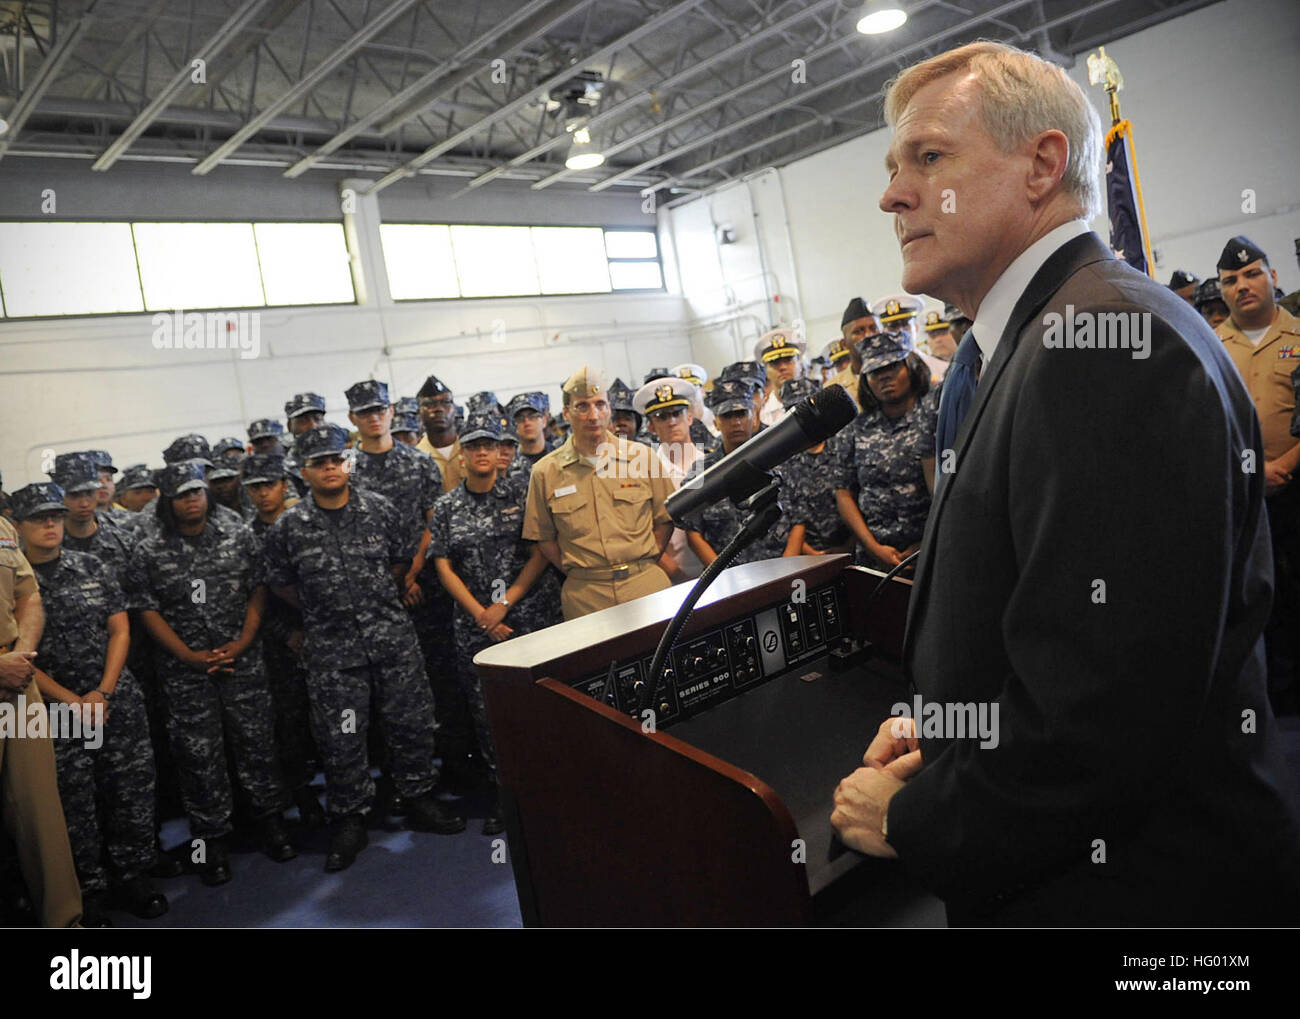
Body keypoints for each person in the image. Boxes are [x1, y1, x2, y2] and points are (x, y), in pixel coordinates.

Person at [830, 40, 1300, 925]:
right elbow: (1040, 630)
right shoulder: (1053, 331)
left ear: (1043, 164)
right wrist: (948, 731)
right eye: (895, 168)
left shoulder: (1105, 345)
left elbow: (1100, 716)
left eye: (929, 157)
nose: (892, 193)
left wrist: (912, 812)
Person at [261, 424, 465, 873]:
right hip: (333, 653)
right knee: (342, 738)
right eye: (320, 463)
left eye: (336, 459)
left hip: (391, 638)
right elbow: (280, 584)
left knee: (410, 723)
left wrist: (375, 597)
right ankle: (350, 818)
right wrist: (325, 607)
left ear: (348, 463)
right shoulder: (288, 528)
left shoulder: (381, 510)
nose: (330, 468)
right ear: (304, 472)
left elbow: (402, 560)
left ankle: (418, 798)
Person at [127, 461, 295, 885]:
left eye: (197, 492)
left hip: (241, 659)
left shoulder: (236, 533)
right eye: (182, 494)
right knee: (199, 756)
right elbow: (147, 609)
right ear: (167, 499)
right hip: (186, 671)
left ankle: (271, 822)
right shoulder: (149, 548)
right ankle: (210, 840)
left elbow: (258, 588)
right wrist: (187, 656)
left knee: (256, 741)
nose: (192, 500)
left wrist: (242, 642)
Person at [13, 483, 167, 925]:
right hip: (53, 712)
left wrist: (102, 691)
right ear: (18, 526)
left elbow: (119, 630)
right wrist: (72, 701)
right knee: (73, 804)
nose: (50, 524)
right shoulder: (14, 586)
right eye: (39, 518)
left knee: (129, 790)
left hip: (112, 701)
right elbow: (16, 654)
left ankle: (132, 875)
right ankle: (90, 890)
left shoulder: (92, 565)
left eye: (55, 516)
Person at [429, 414, 551, 835]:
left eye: (489, 445)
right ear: (461, 456)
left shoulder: (522, 493)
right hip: (474, 626)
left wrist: (503, 604)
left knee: (537, 706)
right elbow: (443, 566)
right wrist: (482, 615)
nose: (481, 452)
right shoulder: (446, 507)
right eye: (472, 446)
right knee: (488, 715)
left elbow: (540, 552)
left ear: (501, 453)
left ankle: (549, 790)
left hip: (526, 617)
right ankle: (507, 796)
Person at [1215, 235, 1300, 713]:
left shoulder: (1299, 337)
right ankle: (1274, 694)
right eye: (1231, 280)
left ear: (1273, 277)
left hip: (1294, 487)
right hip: (1243, 492)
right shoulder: (1210, 343)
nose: (1242, 286)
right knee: (1258, 596)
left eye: (1252, 274)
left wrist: (1284, 466)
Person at [523, 366, 674, 620]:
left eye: (600, 405)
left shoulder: (642, 457)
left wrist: (645, 559)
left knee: (662, 659)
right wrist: (584, 571)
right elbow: (544, 538)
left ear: (609, 410)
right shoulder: (545, 472)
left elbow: (666, 518)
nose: (593, 415)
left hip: (644, 583)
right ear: (566, 413)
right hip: (585, 596)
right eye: (582, 406)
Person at [0, 508, 83, 928]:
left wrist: (23, 653)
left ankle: (64, 921)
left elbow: (28, 594)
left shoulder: (2, 528)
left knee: (40, 810)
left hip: (16, 680)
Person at [241, 453, 323, 828]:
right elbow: (251, 598)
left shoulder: (307, 522)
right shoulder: (244, 536)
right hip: (278, 646)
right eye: (254, 488)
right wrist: (286, 633)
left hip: (325, 635)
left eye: (268, 485)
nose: (262, 494)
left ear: (284, 485)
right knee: (289, 724)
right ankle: (304, 797)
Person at [834, 333, 937, 570]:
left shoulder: (934, 417)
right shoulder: (856, 429)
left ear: (910, 367)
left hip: (931, 550)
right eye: (874, 372)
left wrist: (925, 542)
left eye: (892, 366)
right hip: (874, 558)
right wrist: (873, 547)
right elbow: (843, 493)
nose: (884, 376)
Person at [683, 379, 798, 567]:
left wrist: (787, 567)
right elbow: (693, 533)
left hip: (780, 568)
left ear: (754, 418)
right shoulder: (701, 471)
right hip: (727, 577)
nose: (736, 422)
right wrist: (720, 573)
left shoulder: (779, 459)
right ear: (716, 423)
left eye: (741, 414)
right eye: (727, 415)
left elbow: (798, 519)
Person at [634, 377, 706, 583]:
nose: (672, 422)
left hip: (719, 567)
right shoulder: (645, 471)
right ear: (652, 427)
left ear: (690, 417)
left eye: (677, 413)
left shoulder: (711, 462)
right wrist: (676, 574)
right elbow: (644, 533)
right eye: (662, 416)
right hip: (668, 576)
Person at [777, 379, 853, 556]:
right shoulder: (782, 458)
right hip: (802, 555)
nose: (804, 418)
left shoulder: (842, 447)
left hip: (851, 549)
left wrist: (851, 545)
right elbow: (783, 518)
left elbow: (859, 499)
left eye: (808, 410)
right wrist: (809, 552)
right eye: (795, 411)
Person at [51, 453, 135, 582]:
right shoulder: (49, 544)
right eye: (74, 495)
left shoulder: (124, 541)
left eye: (90, 493)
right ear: (59, 496)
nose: (84, 503)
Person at [415, 374, 465, 493]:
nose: (439, 409)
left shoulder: (471, 448)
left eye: (445, 402)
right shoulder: (416, 458)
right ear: (419, 413)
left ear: (454, 409)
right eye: (430, 404)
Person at [754, 328, 807, 426]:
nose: (782, 367)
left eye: (788, 360)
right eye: (775, 362)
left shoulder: (816, 400)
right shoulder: (762, 416)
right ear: (766, 371)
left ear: (799, 365)